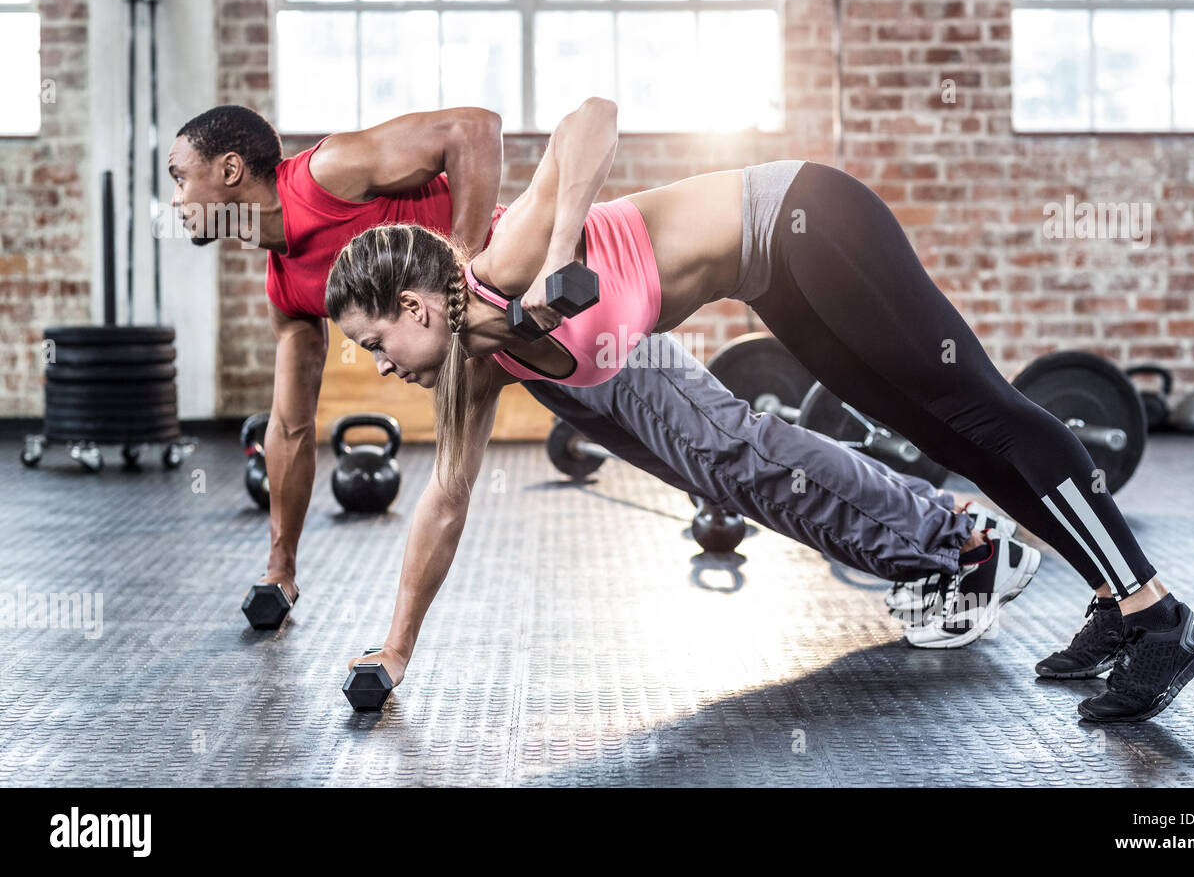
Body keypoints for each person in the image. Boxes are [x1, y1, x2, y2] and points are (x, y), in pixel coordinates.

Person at [328, 97, 1194, 723]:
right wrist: (395, 650)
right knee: (943, 434)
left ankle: (1156, 613)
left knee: (979, 407)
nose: (378, 365)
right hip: (775, 283)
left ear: (413, 309)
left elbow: (591, 114)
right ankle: (1109, 596)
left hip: (804, 216)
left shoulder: (508, 262)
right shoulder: (481, 369)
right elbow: (446, 500)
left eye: (374, 343)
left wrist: (566, 245)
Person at [169, 103, 1029, 650]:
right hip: (524, 343)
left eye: (181, 177)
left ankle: (964, 545)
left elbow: (523, 123)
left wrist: (518, 252)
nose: (379, 366)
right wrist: (363, 630)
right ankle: (936, 546)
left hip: (592, 285)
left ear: (230, 169)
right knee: (720, 472)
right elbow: (386, 472)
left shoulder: (336, 180)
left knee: (735, 450)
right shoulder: (303, 287)